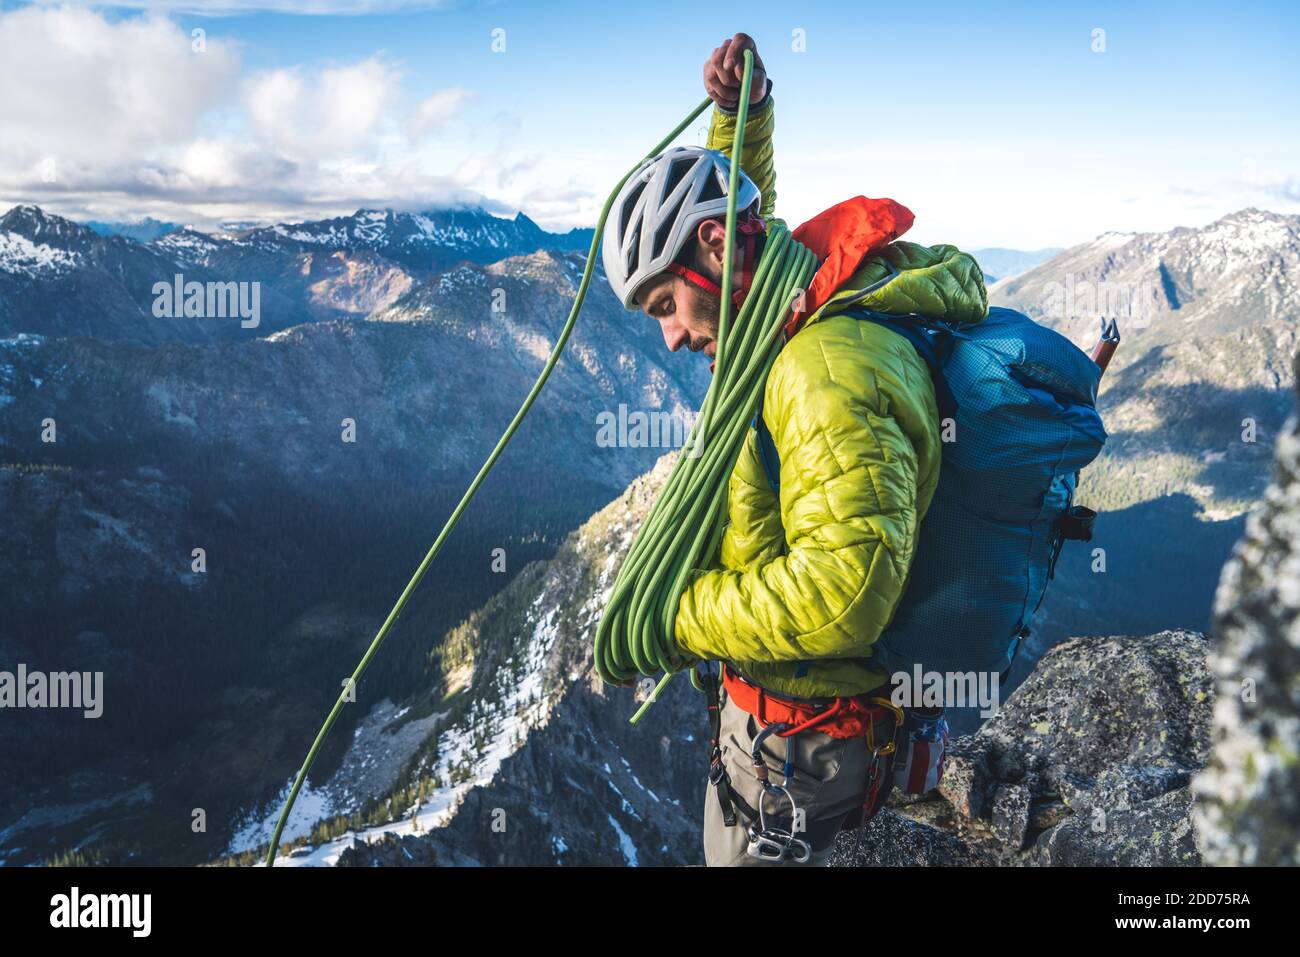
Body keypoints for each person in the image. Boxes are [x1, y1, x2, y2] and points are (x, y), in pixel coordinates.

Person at [600, 33, 988, 866]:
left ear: (710, 250)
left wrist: (676, 614)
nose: (670, 337)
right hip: (793, 733)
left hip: (804, 762)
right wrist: (742, 125)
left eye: (665, 304)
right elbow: (748, 225)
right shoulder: (781, 301)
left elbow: (844, 593)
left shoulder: (821, 367)